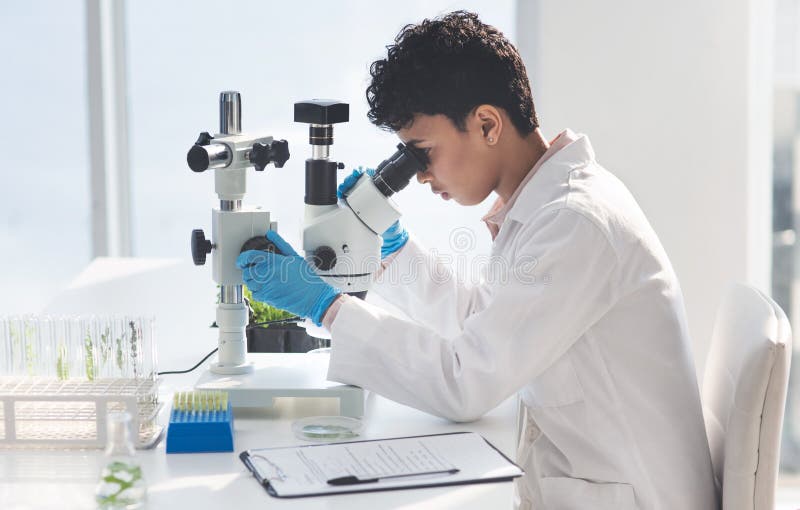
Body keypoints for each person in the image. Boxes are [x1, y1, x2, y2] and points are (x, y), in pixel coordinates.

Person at [237, 11, 718, 509]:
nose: (418, 175)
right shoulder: (551, 206)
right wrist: (395, 252)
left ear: (487, 123)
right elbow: (483, 329)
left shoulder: (575, 222)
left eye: (421, 152)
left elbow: (465, 382)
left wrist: (328, 307)